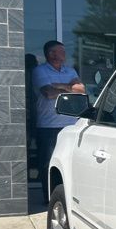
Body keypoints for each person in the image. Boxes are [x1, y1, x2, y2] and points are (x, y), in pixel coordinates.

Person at [31, 41, 86, 202]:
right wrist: (69, 87)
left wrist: (60, 86)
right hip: (48, 126)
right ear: (51, 54)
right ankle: (49, 198)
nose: (64, 54)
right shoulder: (39, 70)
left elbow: (81, 90)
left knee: (70, 162)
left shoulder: (70, 70)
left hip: (71, 125)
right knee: (47, 164)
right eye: (61, 51)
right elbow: (48, 92)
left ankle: (69, 196)